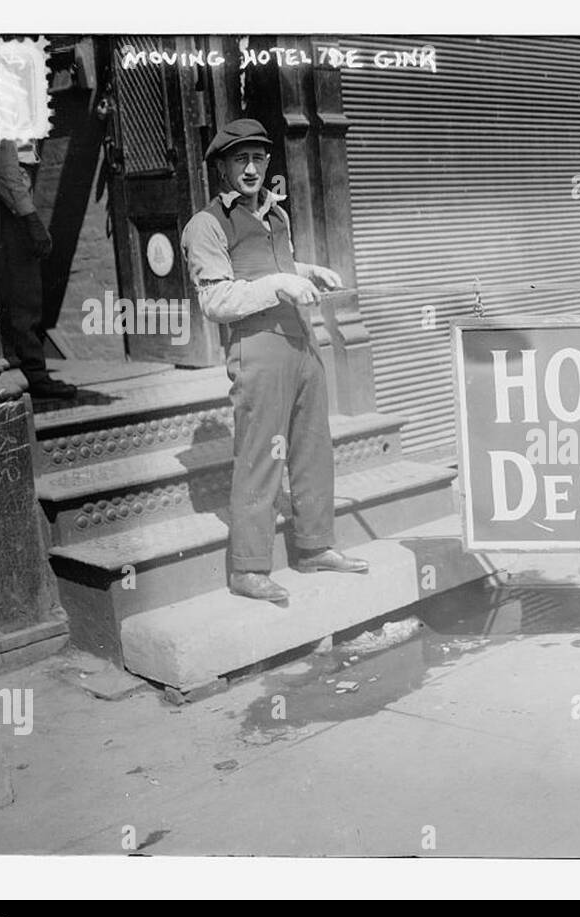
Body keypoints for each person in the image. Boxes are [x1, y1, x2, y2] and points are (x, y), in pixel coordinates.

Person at [180, 118, 370, 603]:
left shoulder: (276, 215)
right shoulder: (206, 225)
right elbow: (215, 300)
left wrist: (308, 271)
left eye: (259, 158)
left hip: (299, 342)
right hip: (257, 348)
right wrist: (278, 286)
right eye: (240, 160)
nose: (251, 169)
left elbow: (276, 269)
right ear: (221, 167)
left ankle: (315, 546)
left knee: (312, 445)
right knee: (263, 454)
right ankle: (247, 569)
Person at [0, 139, 77, 400]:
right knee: (22, 295)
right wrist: (30, 219)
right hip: (8, 204)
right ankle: (31, 374)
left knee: (22, 295)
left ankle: (31, 372)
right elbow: (5, 170)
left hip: (15, 195)